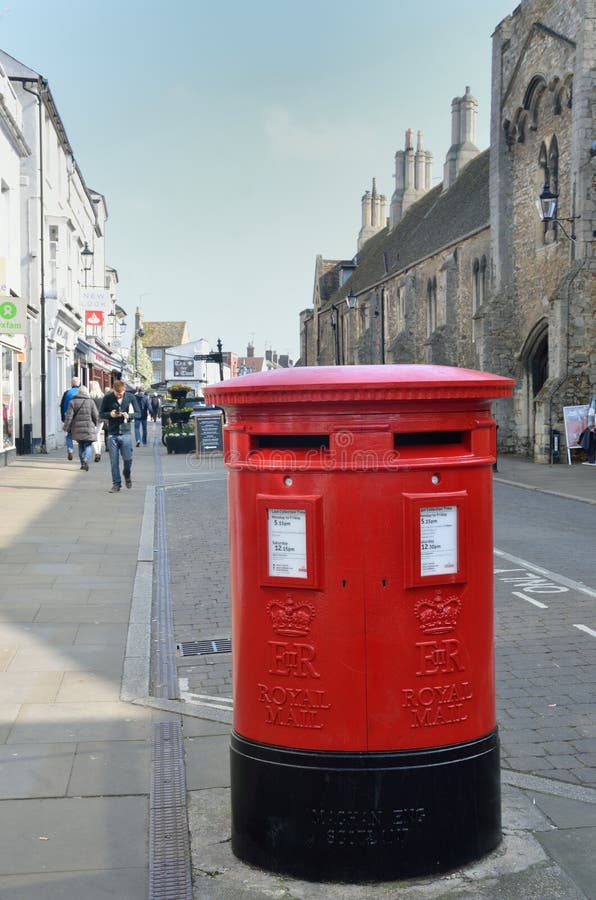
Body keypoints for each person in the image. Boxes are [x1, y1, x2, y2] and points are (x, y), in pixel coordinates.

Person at [100, 380, 141, 493]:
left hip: (126, 433)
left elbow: (139, 413)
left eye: (121, 394)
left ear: (124, 390)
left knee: (128, 459)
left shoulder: (130, 397)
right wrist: (110, 414)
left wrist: (130, 416)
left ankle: (127, 474)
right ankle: (116, 484)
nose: (119, 396)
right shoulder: (108, 398)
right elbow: (101, 413)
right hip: (112, 433)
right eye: (117, 394)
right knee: (114, 461)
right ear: (113, 390)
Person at [62, 385, 99, 471]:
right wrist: (96, 424)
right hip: (89, 428)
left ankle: (82, 463)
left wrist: (66, 428)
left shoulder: (72, 402)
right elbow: (95, 415)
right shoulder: (91, 402)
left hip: (77, 428)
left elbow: (69, 417)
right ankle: (86, 460)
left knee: (81, 445)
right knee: (88, 445)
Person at [60, 377, 80, 460]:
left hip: (69, 417)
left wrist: (63, 418)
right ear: (79, 384)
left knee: (69, 435)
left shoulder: (67, 393)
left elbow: (62, 406)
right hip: (80, 417)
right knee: (81, 436)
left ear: (71, 384)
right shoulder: (82, 392)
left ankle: (70, 450)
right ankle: (83, 455)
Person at [88, 380, 105, 462]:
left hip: (92, 419)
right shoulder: (102, 396)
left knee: (93, 436)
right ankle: (99, 452)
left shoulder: (90, 396)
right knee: (98, 435)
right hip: (101, 419)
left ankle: (97, 452)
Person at [582, 395, 596, 466]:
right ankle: (591, 460)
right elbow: (591, 414)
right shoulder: (594, 400)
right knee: (592, 443)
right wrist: (591, 427)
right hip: (594, 427)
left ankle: (591, 460)